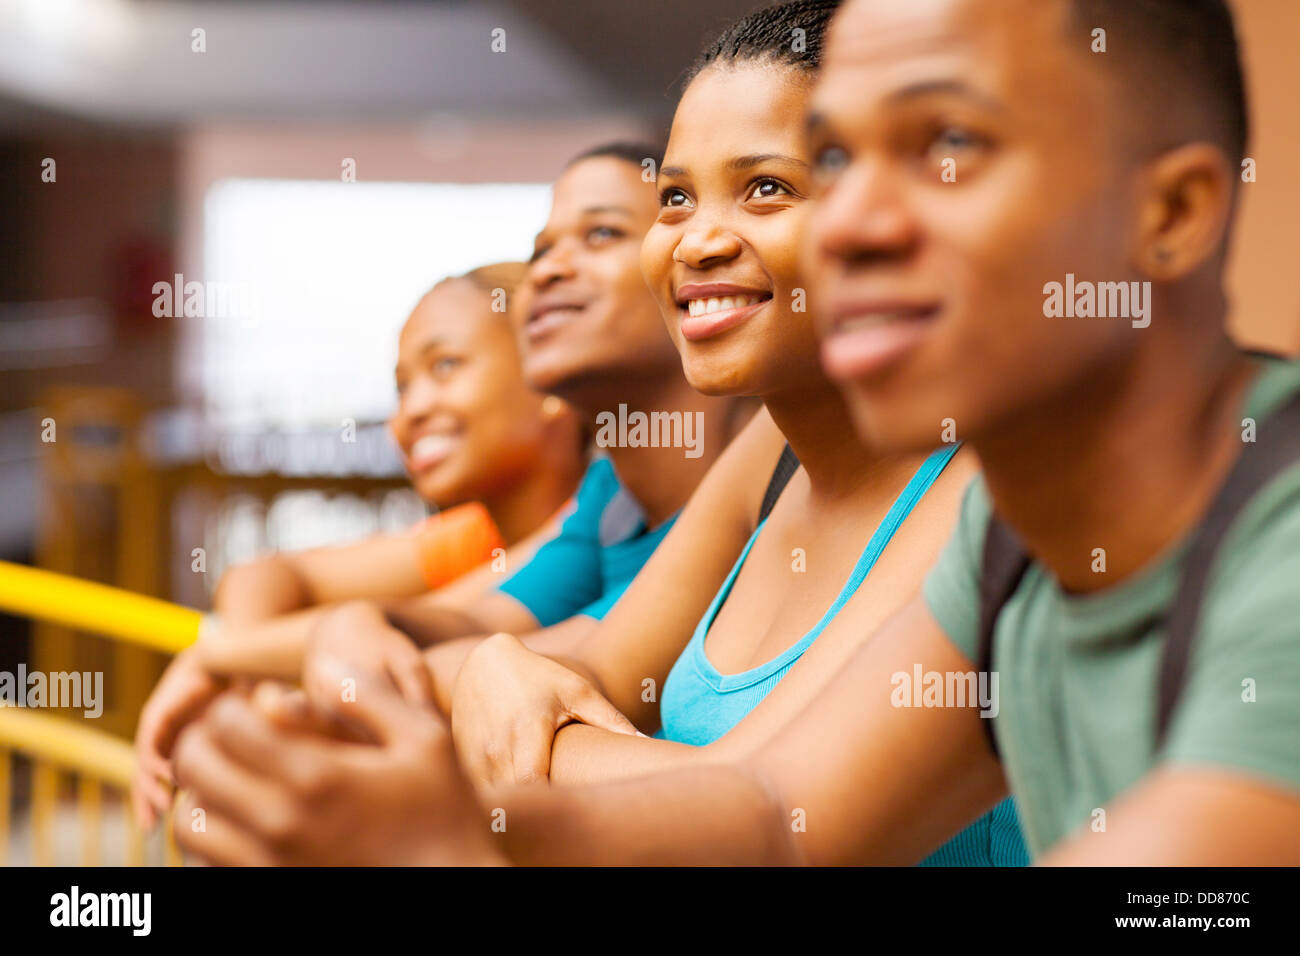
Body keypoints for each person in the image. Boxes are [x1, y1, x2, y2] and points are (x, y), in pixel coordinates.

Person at [173, 0, 1300, 866]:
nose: (852, 219)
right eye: (841, 161)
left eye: (944, 146)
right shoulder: (1012, 543)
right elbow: (776, 816)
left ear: (1172, 213)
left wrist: (459, 836)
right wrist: (435, 798)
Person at [435, 0, 1024, 866]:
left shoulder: (992, 479)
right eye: (675, 198)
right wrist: (497, 667)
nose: (698, 240)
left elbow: (748, 815)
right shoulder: (770, 458)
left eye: (768, 188)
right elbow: (597, 672)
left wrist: (506, 712)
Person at [140, 142, 750, 826]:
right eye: (541, 248)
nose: (549, 269)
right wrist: (271, 652)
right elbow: (471, 622)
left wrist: (255, 672)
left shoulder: (751, 487)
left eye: (601, 232)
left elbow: (553, 659)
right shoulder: (607, 501)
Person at [132, 262, 585, 827]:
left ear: (548, 374)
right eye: (401, 387)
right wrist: (251, 679)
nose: (408, 414)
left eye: (445, 366)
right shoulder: (475, 532)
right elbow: (266, 574)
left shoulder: (592, 525)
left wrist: (218, 656)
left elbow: (421, 621)